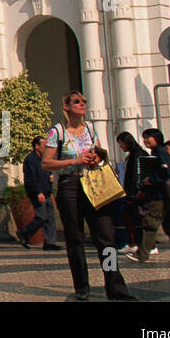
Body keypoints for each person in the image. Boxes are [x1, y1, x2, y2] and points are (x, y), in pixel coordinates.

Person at [42, 91, 135, 301]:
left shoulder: (91, 128)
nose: (82, 104)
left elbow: (100, 151)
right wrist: (74, 161)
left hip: (93, 182)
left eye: (84, 101)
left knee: (106, 237)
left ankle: (115, 287)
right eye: (77, 101)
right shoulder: (57, 132)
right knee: (75, 238)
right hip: (70, 186)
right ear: (66, 106)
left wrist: (96, 157)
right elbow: (46, 162)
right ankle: (81, 285)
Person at [128, 128, 170, 265]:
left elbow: (167, 169)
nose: (145, 140)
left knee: (151, 223)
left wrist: (152, 179)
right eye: (144, 137)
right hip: (163, 195)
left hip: (160, 195)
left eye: (148, 137)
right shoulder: (156, 151)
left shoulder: (159, 151)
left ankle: (143, 254)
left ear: (156, 138)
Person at [16, 135, 60, 250]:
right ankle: (24, 233)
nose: (46, 147)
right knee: (42, 217)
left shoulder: (44, 159)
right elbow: (30, 178)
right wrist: (38, 192)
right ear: (37, 146)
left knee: (50, 217)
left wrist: (50, 178)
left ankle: (49, 242)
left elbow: (46, 172)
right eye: (44, 145)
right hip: (37, 193)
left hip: (46, 191)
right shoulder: (30, 160)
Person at [115, 133, 154, 256]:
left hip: (136, 193)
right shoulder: (133, 154)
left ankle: (141, 244)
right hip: (133, 191)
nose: (120, 146)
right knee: (131, 217)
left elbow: (135, 175)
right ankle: (134, 243)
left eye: (121, 143)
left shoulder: (137, 154)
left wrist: (133, 193)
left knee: (137, 218)